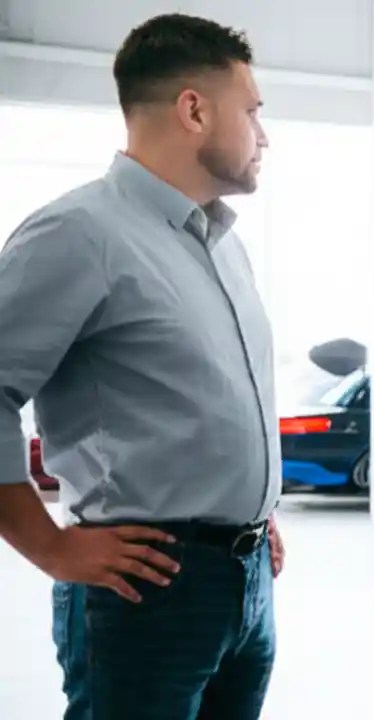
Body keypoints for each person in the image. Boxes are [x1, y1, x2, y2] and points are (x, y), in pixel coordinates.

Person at [0, 13, 283, 720]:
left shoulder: (220, 244)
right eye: (252, 112)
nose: (264, 136)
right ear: (194, 108)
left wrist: (251, 508)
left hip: (244, 583)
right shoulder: (80, 233)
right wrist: (51, 549)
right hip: (146, 592)